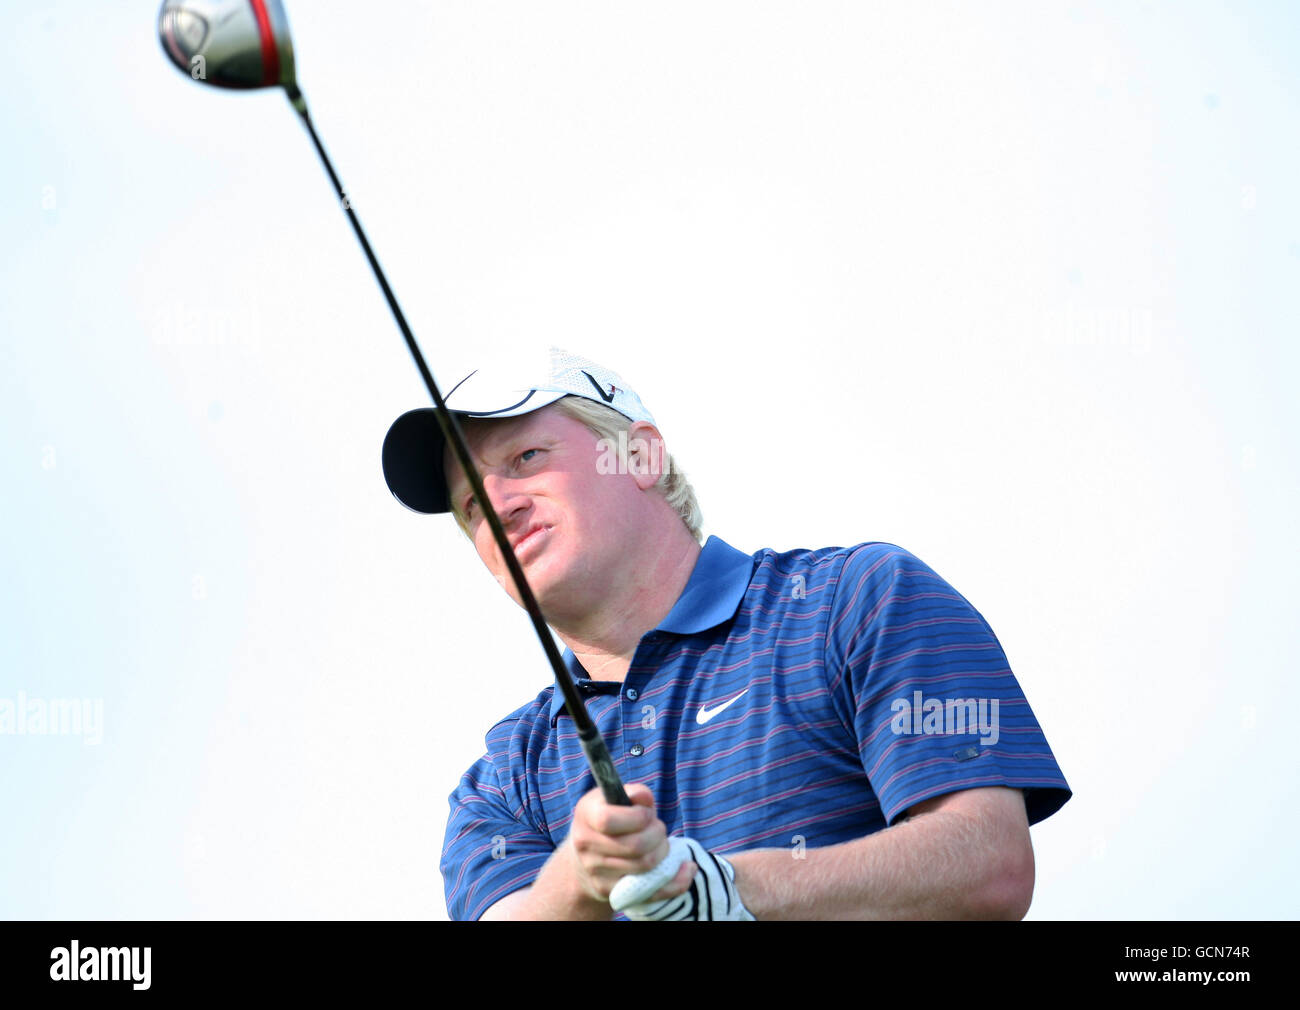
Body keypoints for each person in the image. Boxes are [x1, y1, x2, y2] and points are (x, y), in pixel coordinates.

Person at [382, 347, 1072, 920]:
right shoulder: (502, 778)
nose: (498, 507)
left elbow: (988, 865)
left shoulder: (857, 599)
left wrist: (728, 886)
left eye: (527, 457)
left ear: (641, 457)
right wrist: (579, 882)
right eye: (470, 504)